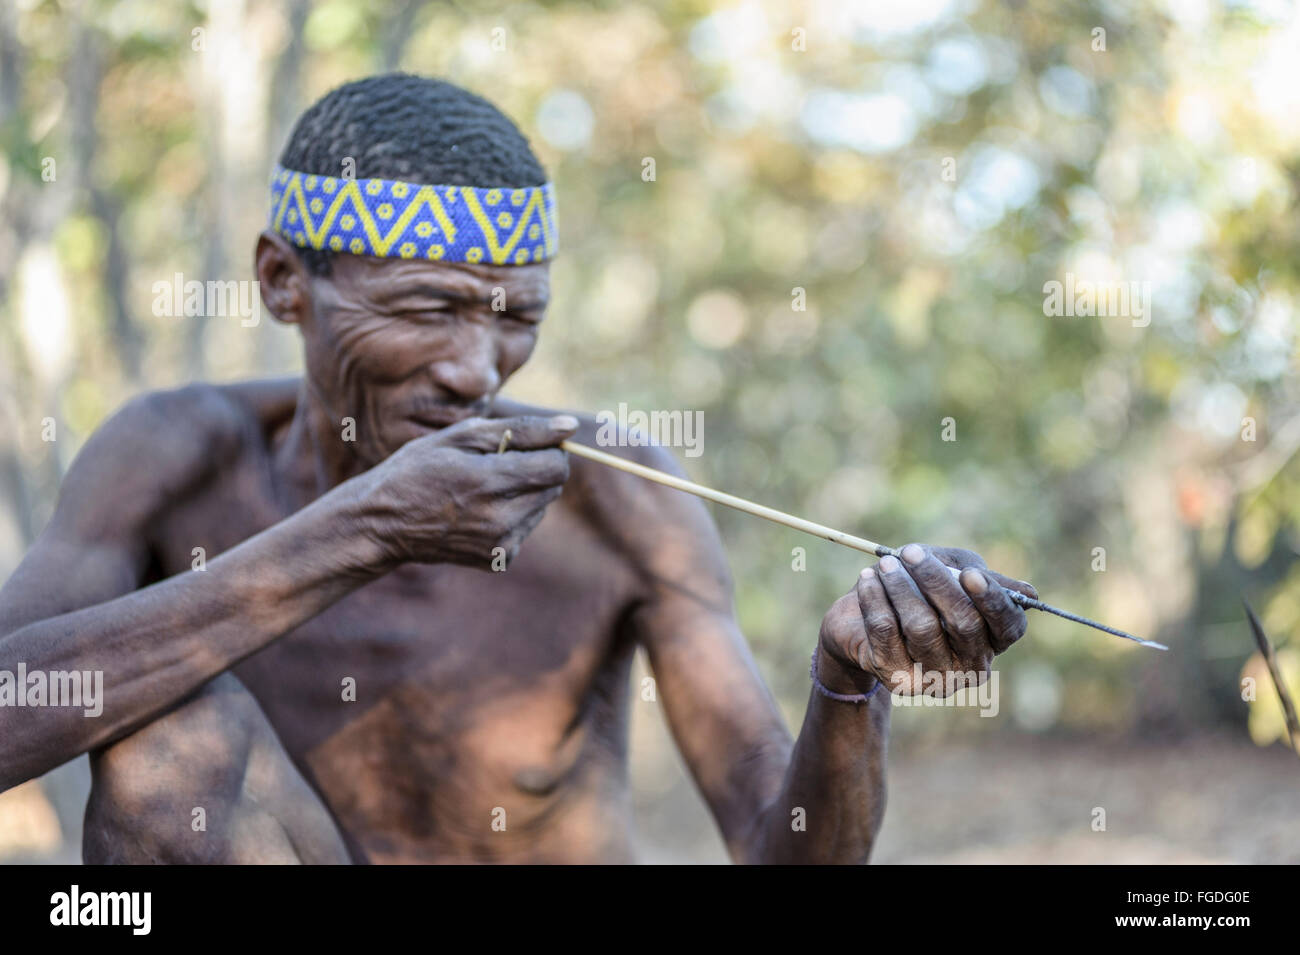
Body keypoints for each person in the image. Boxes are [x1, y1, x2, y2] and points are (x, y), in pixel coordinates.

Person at [0, 74, 1036, 864]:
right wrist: (364, 529)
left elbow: (782, 848)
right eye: (428, 307)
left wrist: (846, 679)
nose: (473, 367)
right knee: (170, 725)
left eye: (515, 322)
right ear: (282, 281)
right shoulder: (170, 455)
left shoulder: (616, 490)